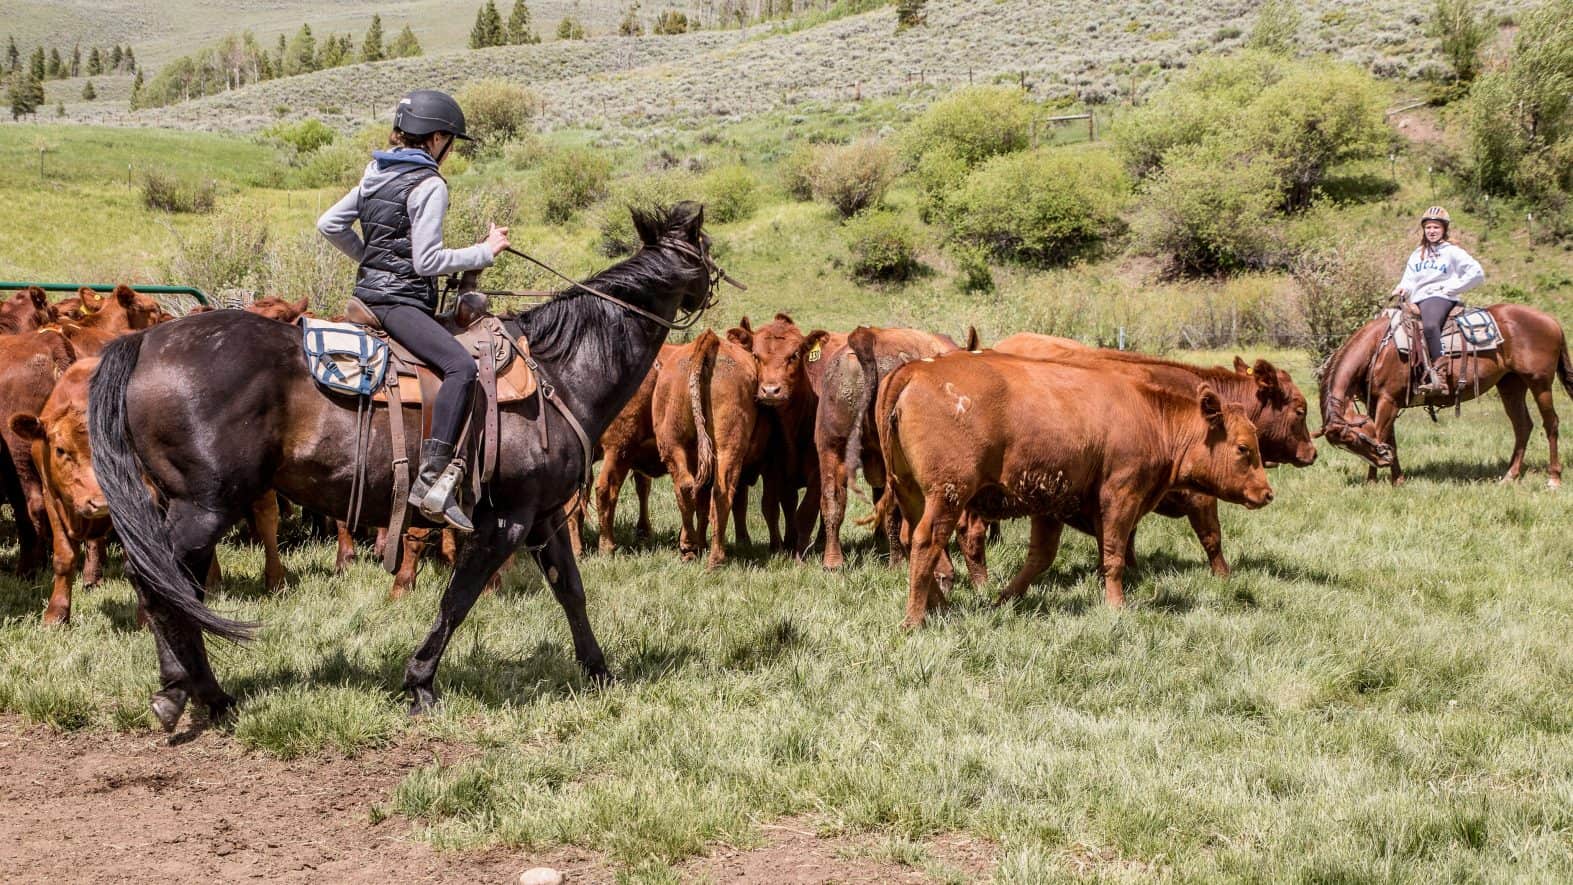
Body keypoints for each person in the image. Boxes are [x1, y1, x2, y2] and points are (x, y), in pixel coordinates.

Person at [317, 89, 509, 532]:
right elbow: (427, 262)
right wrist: (484, 251)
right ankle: (431, 480)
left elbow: (329, 224)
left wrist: (372, 259)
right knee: (460, 367)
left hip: (368, 295)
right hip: (398, 304)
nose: (451, 149)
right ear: (438, 137)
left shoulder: (376, 172)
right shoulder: (430, 184)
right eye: (451, 141)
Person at [1389, 206, 1484, 396]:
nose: (1432, 231)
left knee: (1431, 325)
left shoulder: (1452, 252)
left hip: (1440, 297)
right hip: (1418, 298)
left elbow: (1477, 273)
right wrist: (1401, 288)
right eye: (1428, 227)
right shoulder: (1417, 254)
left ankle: (1440, 376)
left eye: (1436, 227)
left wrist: (1452, 288)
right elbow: (1408, 279)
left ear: (1444, 229)